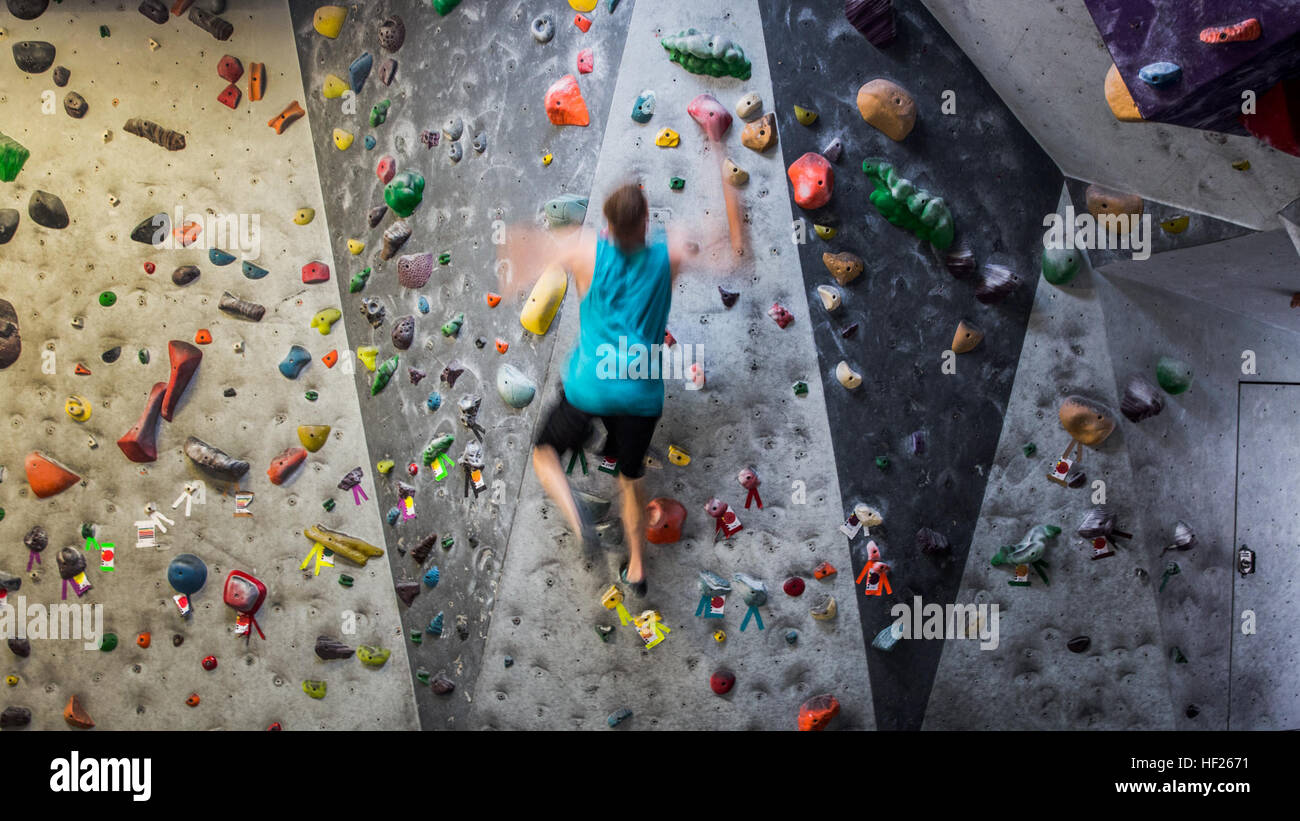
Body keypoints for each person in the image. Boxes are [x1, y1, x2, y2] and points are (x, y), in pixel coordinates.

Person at [501, 179, 738, 596]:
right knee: (630, 480)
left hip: (588, 386)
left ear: (607, 226)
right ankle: (638, 570)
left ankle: (578, 519)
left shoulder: (584, 249)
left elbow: (522, 257)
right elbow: (731, 255)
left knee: (543, 454)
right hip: (640, 398)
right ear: (646, 223)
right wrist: (725, 180)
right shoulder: (668, 255)